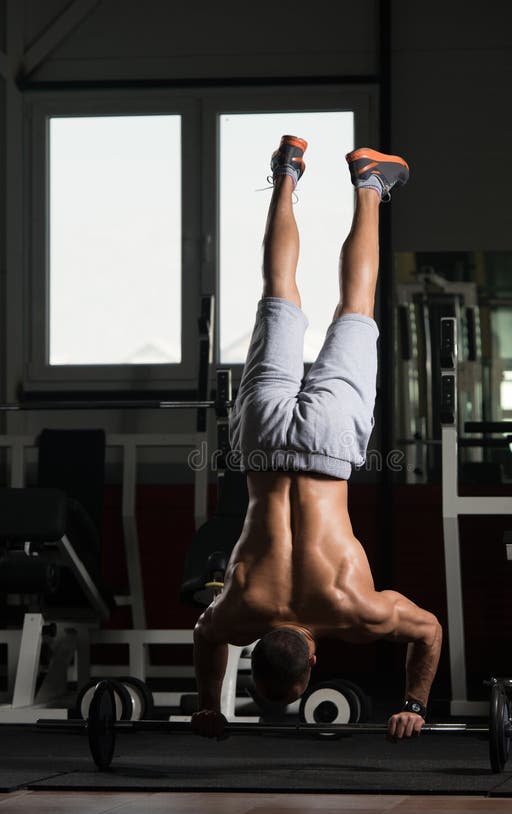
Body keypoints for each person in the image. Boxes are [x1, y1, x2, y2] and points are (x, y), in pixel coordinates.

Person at [192, 135, 442, 742]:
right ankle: (286, 172)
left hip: (328, 447)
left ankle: (369, 186)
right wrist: (207, 705)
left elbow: (430, 630)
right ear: (256, 652)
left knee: (355, 305)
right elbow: (205, 635)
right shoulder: (240, 610)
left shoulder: (353, 610)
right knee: (279, 291)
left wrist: (414, 702)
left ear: (312, 664)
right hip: (261, 443)